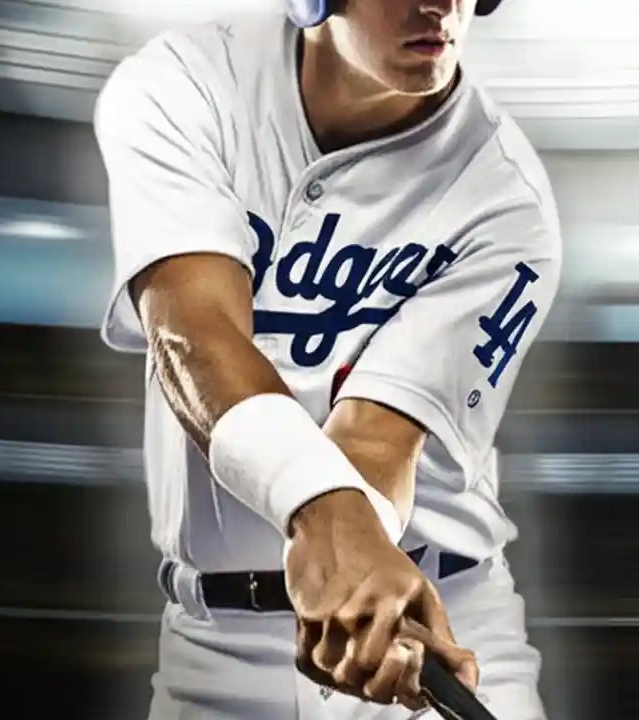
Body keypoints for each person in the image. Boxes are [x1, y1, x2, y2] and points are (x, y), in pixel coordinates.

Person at [91, 0, 559, 717]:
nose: (440, 3)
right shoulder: (184, 85)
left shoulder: (505, 200)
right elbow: (194, 333)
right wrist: (324, 516)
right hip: (215, 650)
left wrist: (354, 558)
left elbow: (377, 433)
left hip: (428, 623)